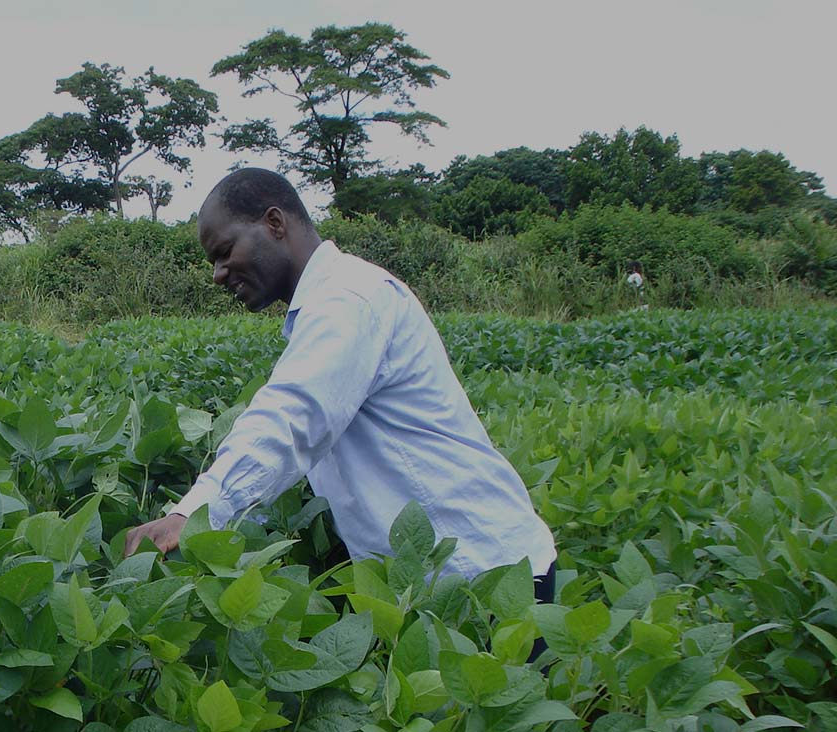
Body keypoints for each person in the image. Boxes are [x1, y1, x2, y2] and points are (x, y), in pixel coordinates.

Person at [124, 168, 557, 594]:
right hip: (433, 584)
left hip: (484, 576)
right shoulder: (330, 302)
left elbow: (293, 417)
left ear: (274, 223)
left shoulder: (348, 298)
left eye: (224, 251)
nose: (217, 274)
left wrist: (194, 513)